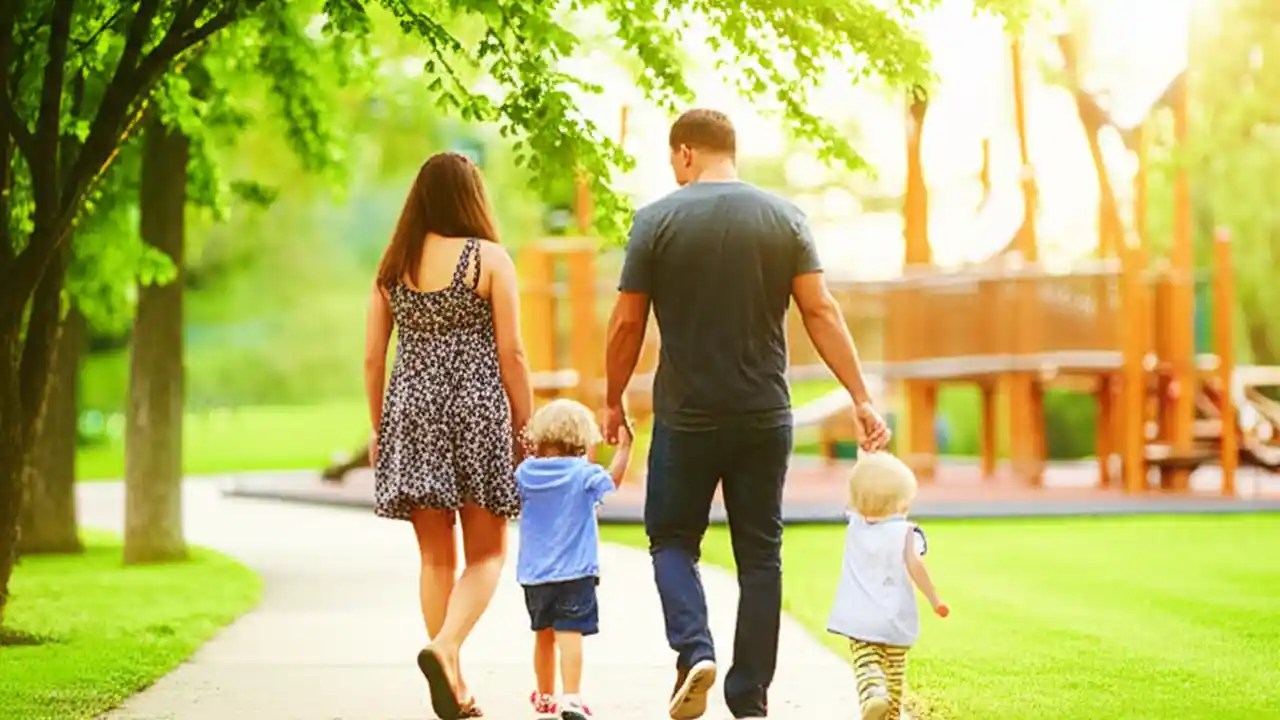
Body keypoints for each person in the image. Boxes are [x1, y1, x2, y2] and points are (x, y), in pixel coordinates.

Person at [602, 108, 892, 720]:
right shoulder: (784, 218)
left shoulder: (655, 220)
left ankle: (695, 650)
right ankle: (748, 694)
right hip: (764, 411)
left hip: (686, 415)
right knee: (761, 554)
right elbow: (821, 311)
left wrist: (613, 398)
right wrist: (860, 396)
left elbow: (628, 321)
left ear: (685, 153)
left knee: (672, 539)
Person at [363, 152, 534, 720]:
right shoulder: (488, 259)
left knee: (436, 558)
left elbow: (371, 360)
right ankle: (447, 649)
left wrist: (378, 428)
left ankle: (455, 687)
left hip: (411, 411)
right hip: (476, 409)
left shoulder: (393, 267)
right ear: (471, 198)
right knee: (487, 553)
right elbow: (511, 351)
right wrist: (524, 420)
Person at [516, 399, 634, 720]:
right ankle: (571, 697)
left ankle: (544, 696)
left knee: (542, 634)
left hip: (535, 573)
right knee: (569, 635)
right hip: (575, 572)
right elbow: (612, 483)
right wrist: (625, 448)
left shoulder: (526, 473)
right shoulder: (584, 474)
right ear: (582, 438)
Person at [827, 452, 948, 720]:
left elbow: (863, 477)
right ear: (903, 502)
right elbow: (916, 566)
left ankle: (872, 695)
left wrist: (867, 455)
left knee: (868, 666)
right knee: (894, 678)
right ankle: (888, 707)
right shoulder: (906, 533)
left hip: (859, 619)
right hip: (895, 620)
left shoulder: (855, 526)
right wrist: (934, 599)